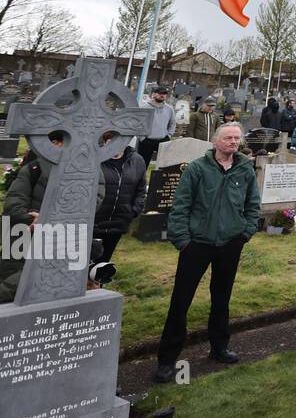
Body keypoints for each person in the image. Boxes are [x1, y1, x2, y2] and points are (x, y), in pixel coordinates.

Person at [153, 123, 260, 383]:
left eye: (237, 138)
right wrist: (183, 241)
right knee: (181, 301)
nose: (233, 142)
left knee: (222, 298)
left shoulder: (244, 169)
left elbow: (252, 204)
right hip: (197, 244)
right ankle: (167, 359)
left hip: (230, 244)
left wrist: (244, 233)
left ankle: (219, 347)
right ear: (215, 141)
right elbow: (181, 206)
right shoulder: (197, 169)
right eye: (228, 138)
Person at [0, 134, 106, 304]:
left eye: (60, 141)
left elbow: (91, 203)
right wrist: (30, 218)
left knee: (52, 288)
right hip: (24, 238)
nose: (56, 145)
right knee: (9, 286)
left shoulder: (91, 172)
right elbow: (14, 203)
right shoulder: (34, 168)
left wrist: (50, 219)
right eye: (55, 141)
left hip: (61, 240)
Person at [93, 139, 147, 266]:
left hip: (118, 222)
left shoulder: (136, 160)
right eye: (110, 141)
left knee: (102, 266)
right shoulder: (96, 159)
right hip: (95, 223)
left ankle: (97, 285)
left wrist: (133, 211)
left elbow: (141, 189)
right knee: (85, 265)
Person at [139, 84, 177, 165]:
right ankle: (141, 178)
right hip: (146, 141)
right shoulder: (144, 107)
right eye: (160, 93)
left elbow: (172, 123)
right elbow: (138, 124)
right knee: (142, 165)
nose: (162, 95)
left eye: (164, 94)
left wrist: (169, 135)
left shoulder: (169, 109)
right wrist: (141, 138)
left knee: (164, 165)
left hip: (162, 141)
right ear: (154, 94)